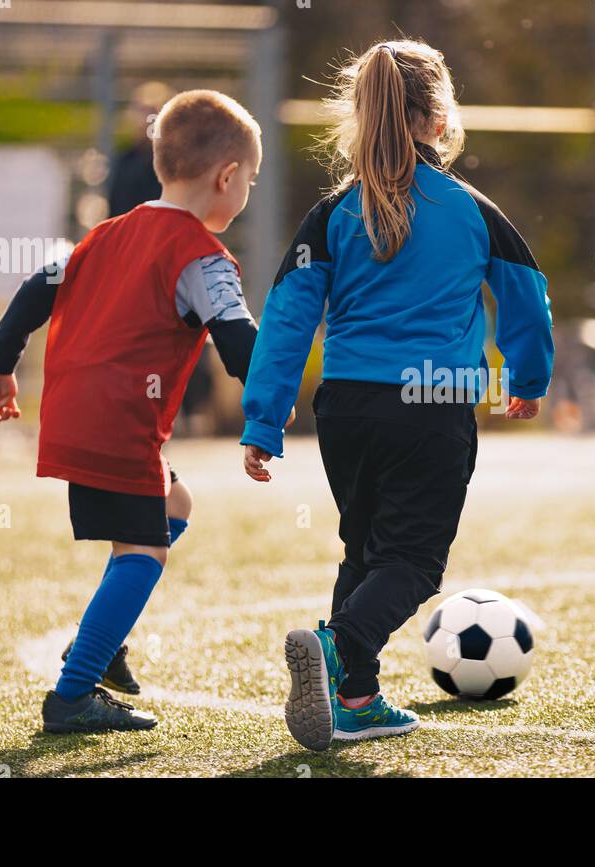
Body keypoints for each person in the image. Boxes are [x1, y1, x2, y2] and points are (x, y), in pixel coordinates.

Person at [239, 40, 554, 750]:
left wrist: (263, 417)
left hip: (346, 406)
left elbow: (288, 314)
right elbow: (525, 299)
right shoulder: (470, 207)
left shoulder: (333, 213)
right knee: (411, 561)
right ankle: (336, 645)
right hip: (433, 402)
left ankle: (355, 696)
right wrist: (527, 379)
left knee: (365, 548)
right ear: (439, 118)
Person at [0, 90, 265, 733]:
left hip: (75, 413)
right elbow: (240, 342)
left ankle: (99, 646)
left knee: (174, 507)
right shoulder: (202, 256)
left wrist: (0, 368)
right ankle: (73, 694)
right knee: (145, 552)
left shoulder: (101, 236)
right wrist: (269, 410)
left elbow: (34, 289)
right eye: (249, 179)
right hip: (120, 422)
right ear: (226, 177)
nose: (245, 190)